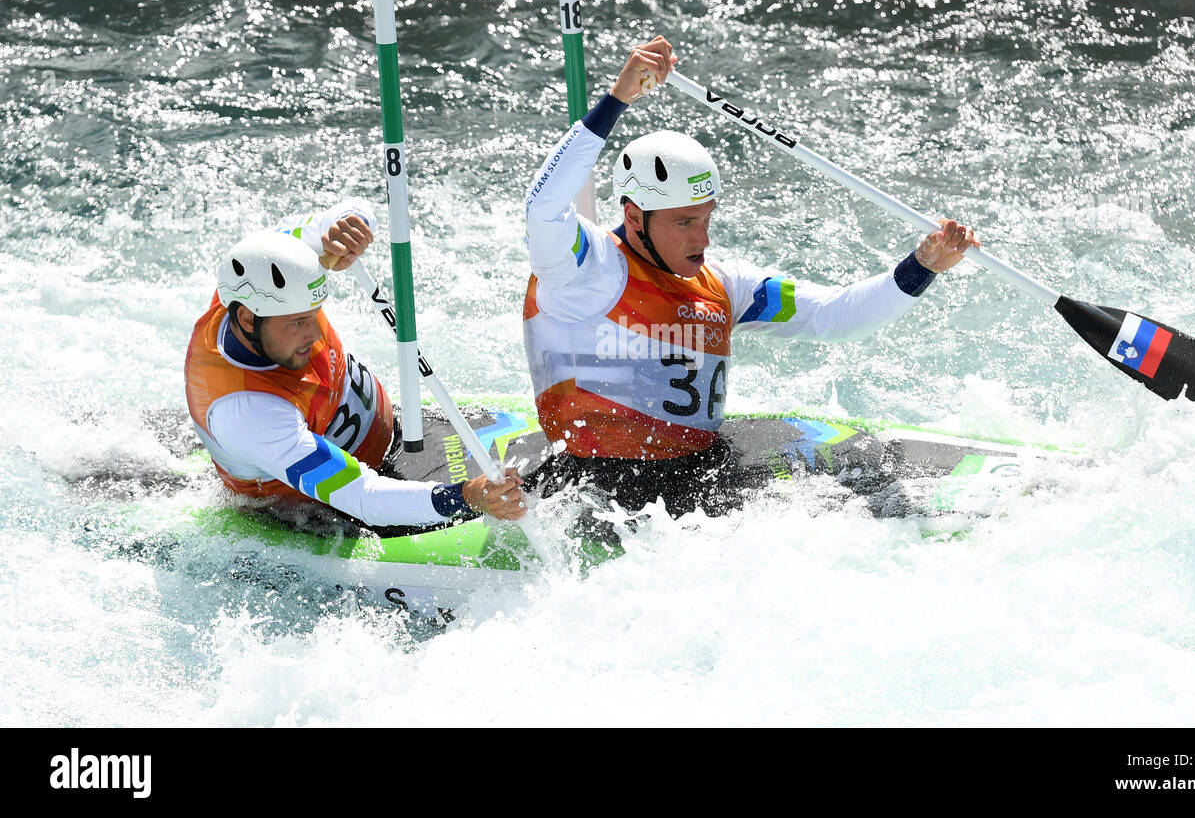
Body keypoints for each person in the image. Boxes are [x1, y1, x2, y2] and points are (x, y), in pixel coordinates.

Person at [522, 37, 979, 517]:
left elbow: (837, 318)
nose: (703, 238)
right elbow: (542, 208)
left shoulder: (725, 285)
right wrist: (617, 101)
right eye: (683, 222)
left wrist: (921, 267)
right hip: (598, 484)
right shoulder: (584, 268)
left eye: (706, 217)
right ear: (635, 218)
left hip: (703, 471)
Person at [185, 199, 526, 528]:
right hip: (332, 510)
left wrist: (350, 226)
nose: (315, 331)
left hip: (398, 434)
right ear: (246, 319)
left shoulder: (270, 264)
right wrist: (469, 498)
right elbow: (363, 496)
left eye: (315, 313)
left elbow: (343, 214)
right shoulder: (248, 412)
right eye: (298, 321)